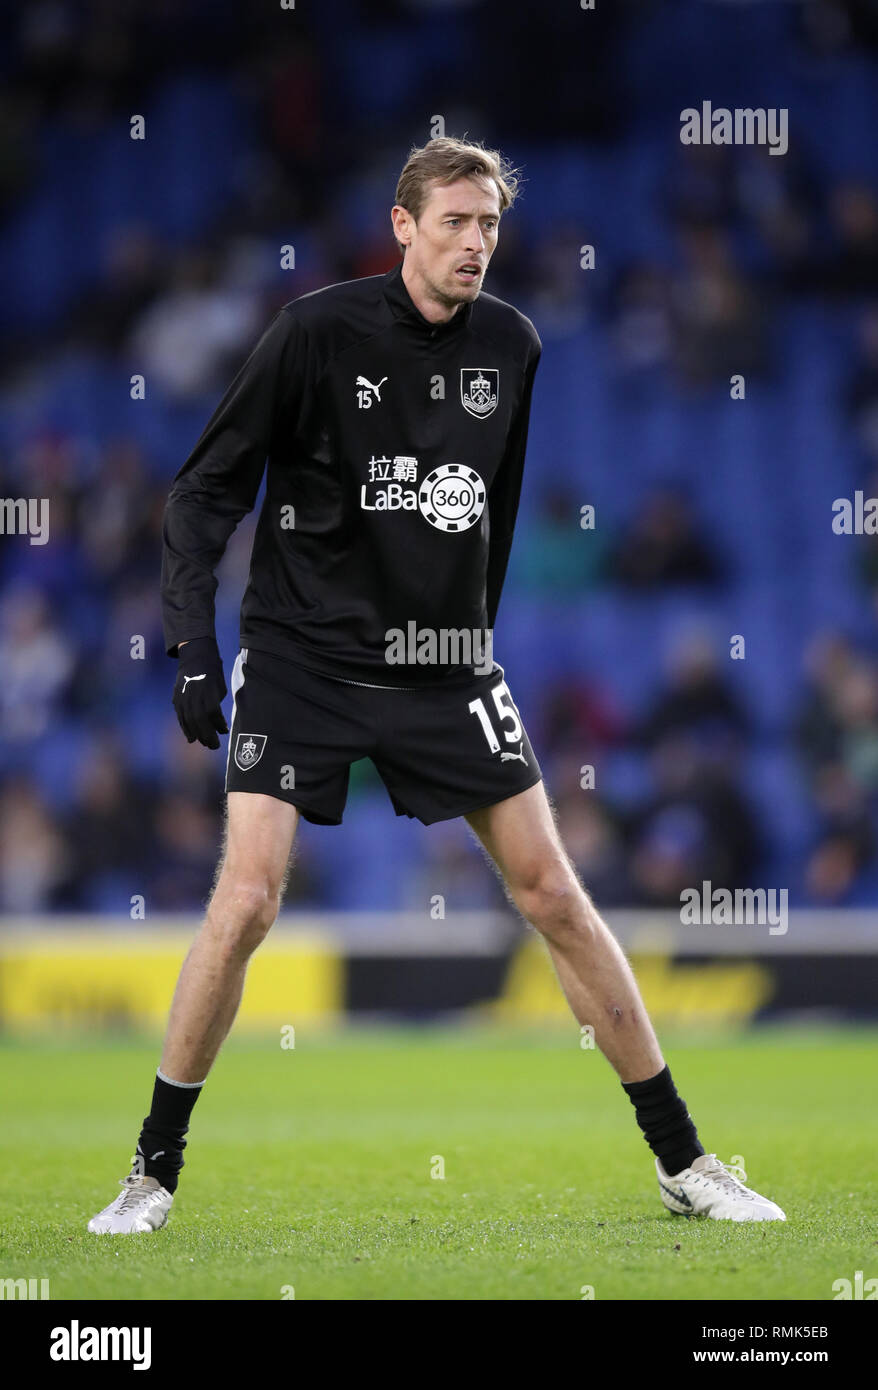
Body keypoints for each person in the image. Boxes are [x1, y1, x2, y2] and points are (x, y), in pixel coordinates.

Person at [88, 136, 785, 1234]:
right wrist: (192, 649)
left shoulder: (513, 344)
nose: (474, 244)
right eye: (454, 222)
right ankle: (151, 1170)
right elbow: (200, 495)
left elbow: (489, 515)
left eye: (490, 226)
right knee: (249, 896)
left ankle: (684, 1160)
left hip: (439, 663)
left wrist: (463, 643)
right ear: (403, 224)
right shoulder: (313, 330)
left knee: (554, 894)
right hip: (303, 657)